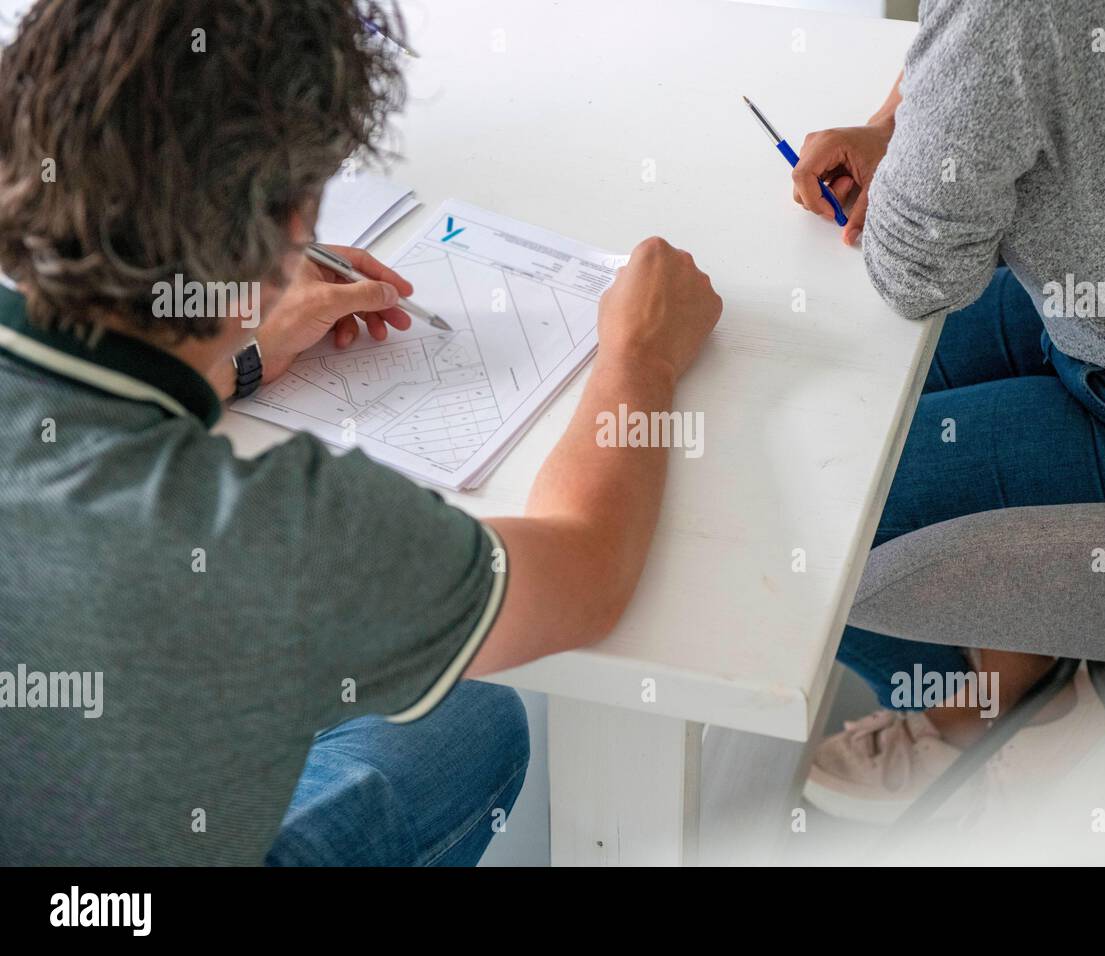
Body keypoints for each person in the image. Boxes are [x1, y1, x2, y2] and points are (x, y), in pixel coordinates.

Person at [0, 0, 721, 864]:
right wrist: (640, 355)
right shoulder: (288, 536)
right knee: (473, 716)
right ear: (298, 225)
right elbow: (589, 568)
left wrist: (237, 347)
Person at [790, 0, 1105, 820]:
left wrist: (931, 133)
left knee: (818, 514)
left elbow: (917, 269)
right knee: (859, 395)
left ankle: (998, 712)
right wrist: (900, 122)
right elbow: (1009, 59)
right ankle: (1026, 646)